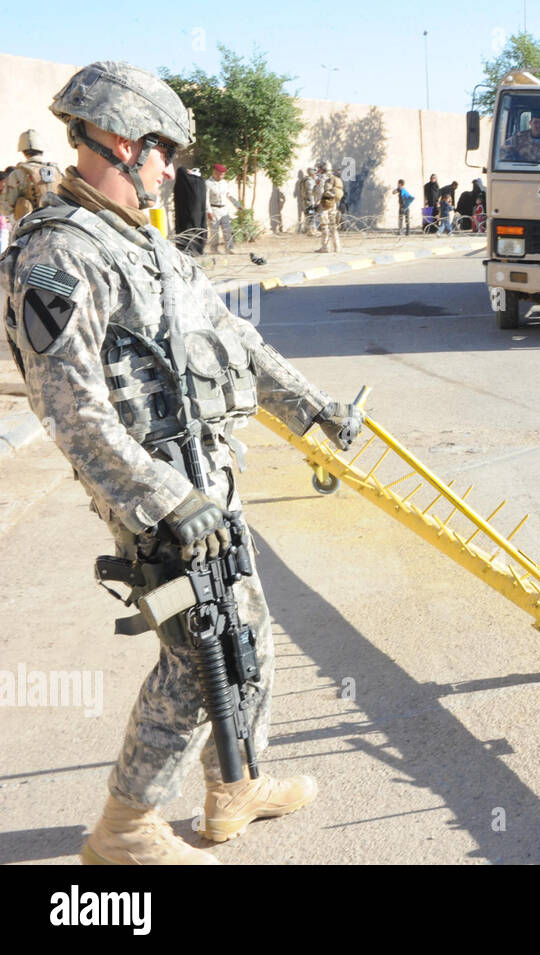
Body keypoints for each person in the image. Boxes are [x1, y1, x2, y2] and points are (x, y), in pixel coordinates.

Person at [0, 59, 364, 865]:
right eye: (165, 149)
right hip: (153, 501)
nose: (173, 167)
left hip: (211, 485)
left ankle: (234, 785)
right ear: (122, 140)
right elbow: (72, 412)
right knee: (193, 656)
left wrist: (313, 406)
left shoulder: (146, 244)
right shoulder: (57, 255)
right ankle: (125, 827)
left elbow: (237, 340)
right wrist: (166, 497)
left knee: (250, 636)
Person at [0, 129, 65, 221]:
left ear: (23, 152)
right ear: (42, 150)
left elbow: (6, 209)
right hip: (57, 221)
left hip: (30, 227)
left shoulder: (18, 174)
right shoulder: (57, 171)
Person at [171, 164, 207, 255]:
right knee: (197, 231)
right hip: (199, 215)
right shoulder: (199, 182)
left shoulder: (181, 183)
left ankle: (186, 250)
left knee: (186, 233)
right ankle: (198, 250)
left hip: (184, 215)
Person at [205, 162, 240, 254]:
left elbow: (229, 195)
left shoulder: (224, 183)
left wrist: (237, 205)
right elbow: (206, 199)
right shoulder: (208, 183)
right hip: (214, 209)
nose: (221, 176)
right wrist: (209, 211)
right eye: (220, 174)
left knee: (227, 230)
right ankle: (214, 249)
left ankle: (229, 248)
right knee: (214, 231)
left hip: (224, 209)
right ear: (214, 172)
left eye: (223, 175)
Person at [314, 160, 344, 252]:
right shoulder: (334, 177)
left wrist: (317, 202)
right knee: (333, 226)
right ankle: (337, 247)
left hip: (324, 204)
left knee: (324, 226)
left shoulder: (322, 178)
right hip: (333, 204)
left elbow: (319, 192)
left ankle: (325, 247)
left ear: (322, 169)